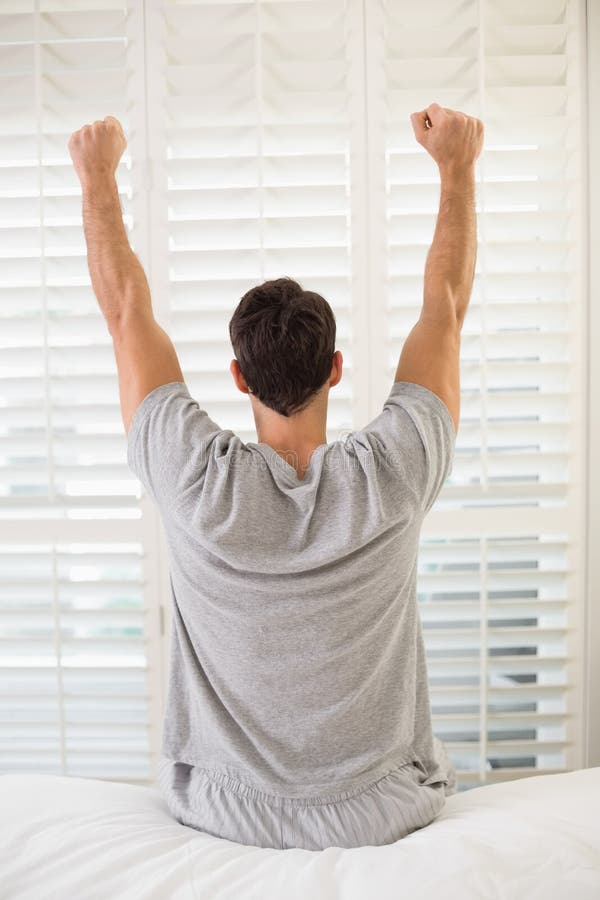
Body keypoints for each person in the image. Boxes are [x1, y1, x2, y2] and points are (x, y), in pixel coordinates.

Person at [68, 102, 483, 851]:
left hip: (226, 811)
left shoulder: (193, 478)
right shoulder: (395, 467)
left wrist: (96, 173)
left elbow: (126, 314)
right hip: (382, 806)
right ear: (336, 369)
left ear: (236, 376)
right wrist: (456, 167)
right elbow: (444, 311)